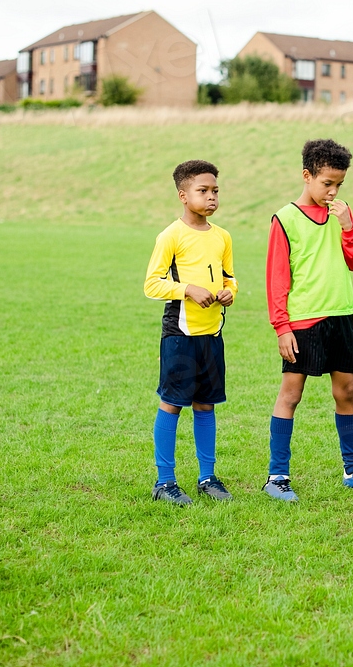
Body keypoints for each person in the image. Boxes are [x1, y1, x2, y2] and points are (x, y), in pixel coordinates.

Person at [263, 139, 353, 502]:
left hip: (340, 315)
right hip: (302, 321)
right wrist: (281, 327)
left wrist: (349, 225)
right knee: (291, 394)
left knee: (347, 391)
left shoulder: (340, 215)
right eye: (326, 184)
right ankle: (277, 476)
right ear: (307, 175)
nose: (333, 192)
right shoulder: (285, 219)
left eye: (339, 185)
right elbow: (276, 278)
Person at [144, 160, 236, 505]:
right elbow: (152, 284)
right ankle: (164, 482)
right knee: (172, 404)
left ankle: (207, 477)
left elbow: (230, 277)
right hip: (180, 335)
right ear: (184, 196)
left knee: (206, 405)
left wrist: (231, 292)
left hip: (212, 335)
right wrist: (187, 289)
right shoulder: (171, 236)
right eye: (203, 190)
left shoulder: (222, 236)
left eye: (215, 190)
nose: (211, 197)